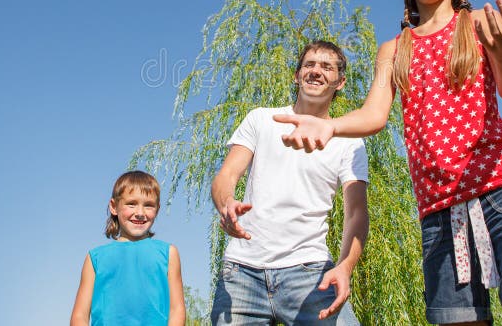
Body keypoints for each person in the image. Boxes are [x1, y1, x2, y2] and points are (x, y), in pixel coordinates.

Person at [275, 0, 502, 326]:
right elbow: (374, 115)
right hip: (438, 208)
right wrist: (329, 124)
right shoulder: (394, 50)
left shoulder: (478, 22)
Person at [210, 40, 369, 325]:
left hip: (310, 273)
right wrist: (226, 205)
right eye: (309, 64)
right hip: (242, 273)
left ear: (340, 82)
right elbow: (226, 176)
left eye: (326, 67)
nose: (316, 71)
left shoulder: (349, 142)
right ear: (296, 75)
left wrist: (345, 267)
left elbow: (356, 212)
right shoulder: (261, 119)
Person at [70, 170, 185, 326]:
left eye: (148, 205)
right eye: (131, 204)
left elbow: (177, 311)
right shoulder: (95, 258)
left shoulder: (168, 253)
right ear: (114, 207)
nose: (140, 213)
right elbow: (79, 316)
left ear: (157, 209)